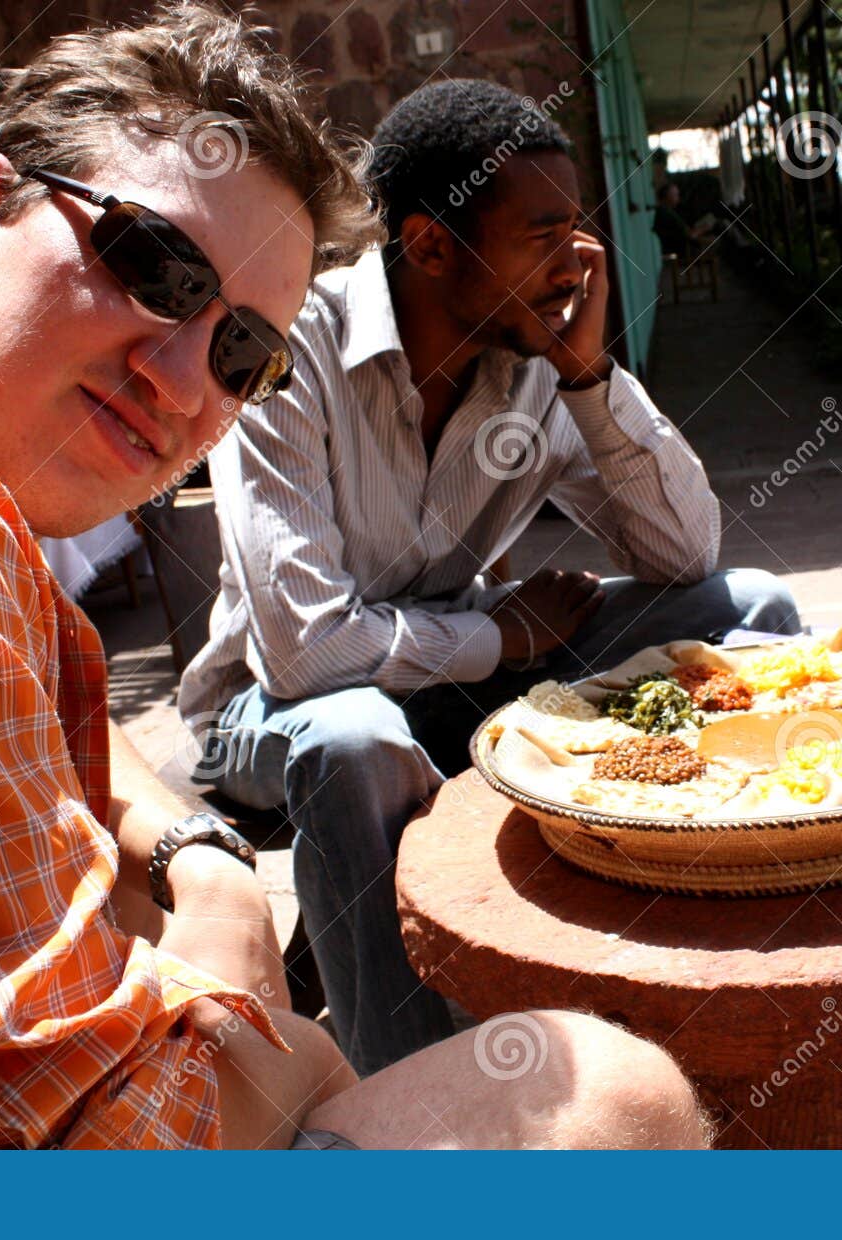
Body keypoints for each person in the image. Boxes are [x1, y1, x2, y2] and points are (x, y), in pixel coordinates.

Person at [0, 5, 707, 1150]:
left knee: (727, 619)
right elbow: (78, 1139)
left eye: (240, 351)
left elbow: (686, 550)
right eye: (153, 265)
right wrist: (283, 1054)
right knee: (612, 1092)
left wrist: (202, 863)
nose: (176, 374)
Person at [181, 78, 799, 1076]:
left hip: (450, 681)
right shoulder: (293, 354)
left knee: (754, 609)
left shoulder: (538, 367)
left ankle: (714, 968)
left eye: (579, 232)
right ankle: (411, 1104)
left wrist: (592, 380)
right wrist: (503, 639)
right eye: (542, 235)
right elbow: (305, 653)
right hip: (270, 714)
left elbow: (685, 556)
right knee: (356, 739)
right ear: (429, 247)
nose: (577, 264)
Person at [653, 181, 714, 260]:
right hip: (682, 252)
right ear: (667, 197)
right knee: (717, 241)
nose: (678, 197)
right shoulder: (667, 214)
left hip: (674, 248)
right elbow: (690, 235)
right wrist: (704, 228)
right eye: (675, 195)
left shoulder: (662, 211)